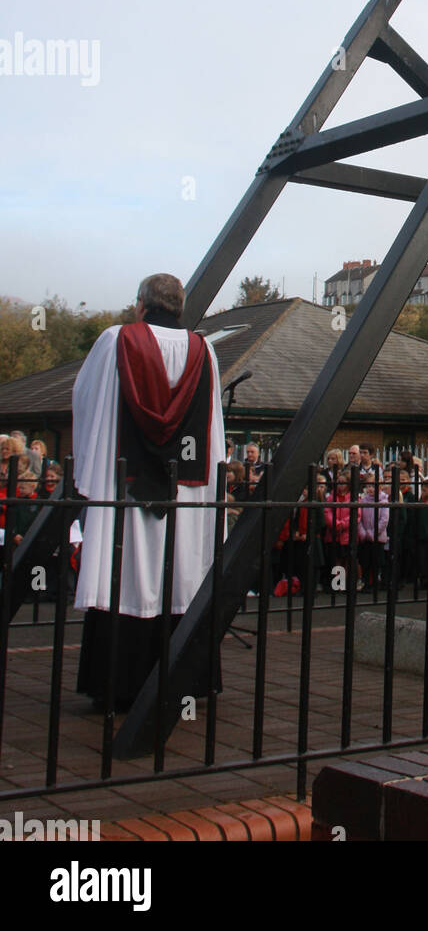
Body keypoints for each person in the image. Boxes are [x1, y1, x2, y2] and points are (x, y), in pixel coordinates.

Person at [72, 272, 225, 710]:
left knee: (124, 573)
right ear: (178, 307)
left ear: (142, 304)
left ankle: (118, 688)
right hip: (185, 488)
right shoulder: (204, 349)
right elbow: (211, 426)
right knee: (177, 572)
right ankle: (181, 683)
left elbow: (87, 399)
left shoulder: (116, 340)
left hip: (127, 484)